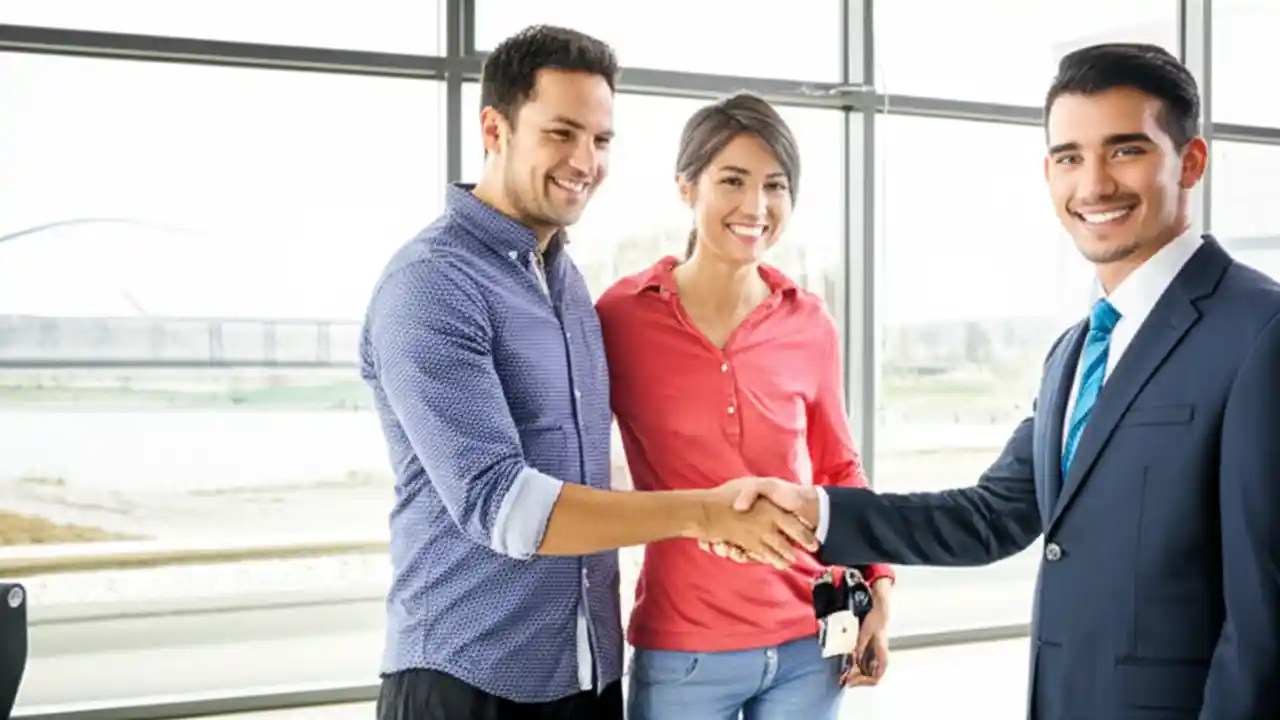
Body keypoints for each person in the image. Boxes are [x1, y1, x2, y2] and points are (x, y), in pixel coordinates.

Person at [717, 43, 1280, 719]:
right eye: (1070, 157)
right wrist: (820, 509)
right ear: (1049, 173)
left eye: (1126, 150)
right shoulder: (1076, 350)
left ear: (1190, 162)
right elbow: (991, 517)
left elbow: (1266, 620)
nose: (1094, 184)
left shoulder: (1258, 332)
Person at [359, 26, 817, 720]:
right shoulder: (431, 284)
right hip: (466, 680)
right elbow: (501, 505)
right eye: (561, 133)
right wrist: (702, 511)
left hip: (588, 675)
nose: (584, 161)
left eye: (601, 141)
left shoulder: (567, 282)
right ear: (495, 127)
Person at [595, 92, 895, 720]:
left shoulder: (809, 321)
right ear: (687, 187)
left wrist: (881, 583)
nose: (755, 207)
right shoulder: (621, 317)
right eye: (732, 180)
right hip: (684, 652)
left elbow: (839, 468)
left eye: (775, 186)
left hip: (809, 644)